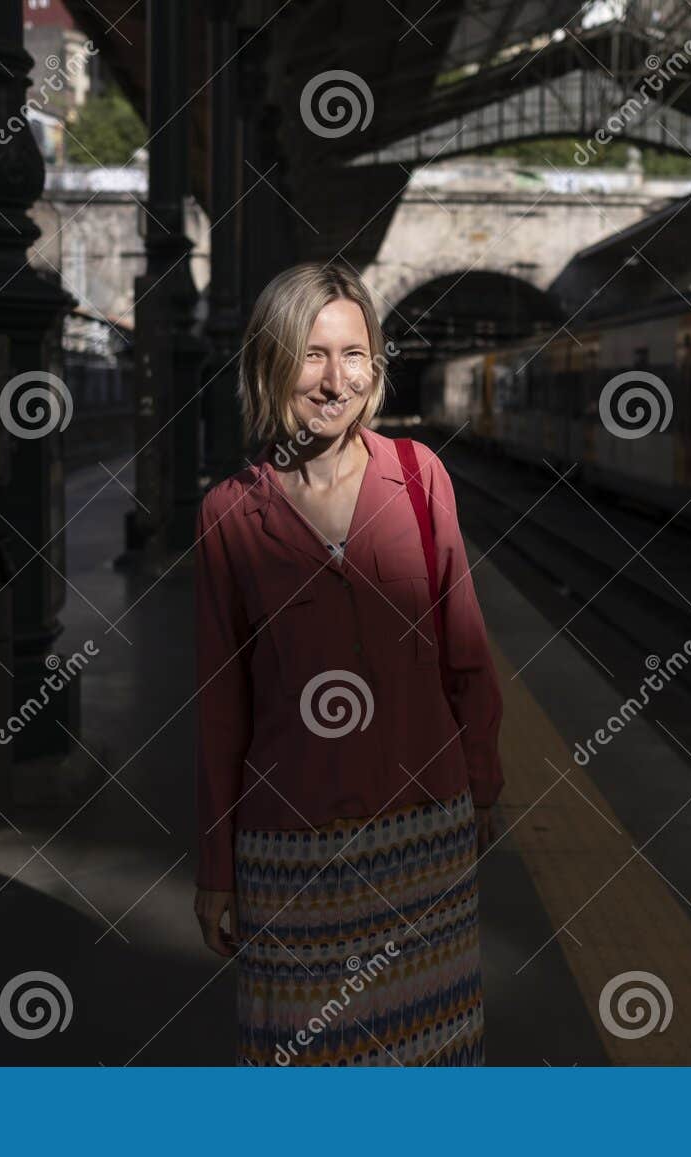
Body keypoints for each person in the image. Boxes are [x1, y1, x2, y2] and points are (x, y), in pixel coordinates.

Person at [191, 261, 504, 1066]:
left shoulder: (418, 476)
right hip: (289, 855)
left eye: (354, 354)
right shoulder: (228, 513)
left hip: (421, 839)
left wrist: (483, 787)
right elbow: (222, 703)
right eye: (313, 354)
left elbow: (465, 649)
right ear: (270, 362)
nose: (336, 380)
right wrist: (217, 866)